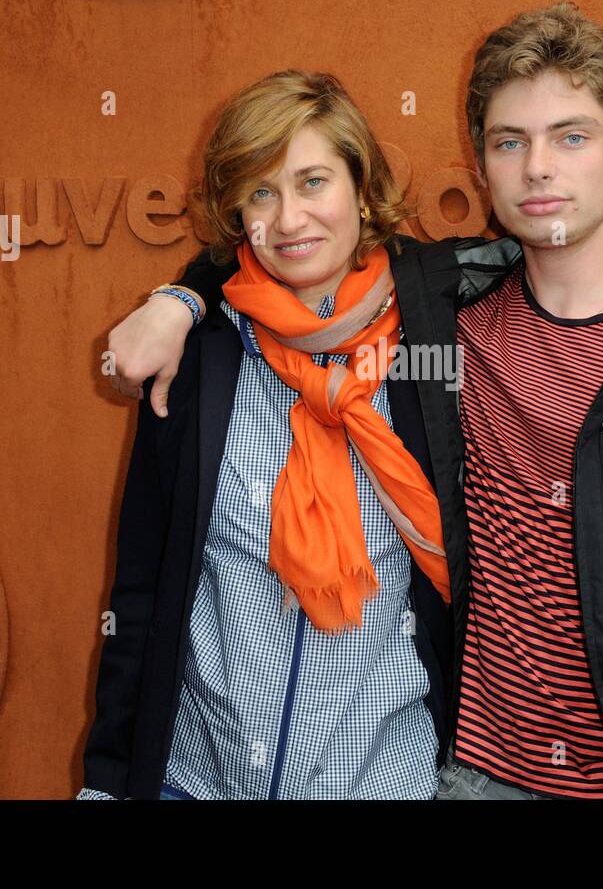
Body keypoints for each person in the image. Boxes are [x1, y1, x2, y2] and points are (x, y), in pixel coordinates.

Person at [106, 2, 603, 799]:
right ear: (483, 162)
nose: (539, 168)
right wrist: (178, 301)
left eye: (572, 136)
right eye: (510, 142)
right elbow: (287, 252)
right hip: (472, 779)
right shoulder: (443, 308)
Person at [78, 70, 462, 799]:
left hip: (385, 782)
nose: (288, 220)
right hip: (198, 781)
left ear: (362, 187)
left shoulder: (438, 341)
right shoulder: (202, 357)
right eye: (261, 192)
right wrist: (108, 782)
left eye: (313, 181)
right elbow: (141, 585)